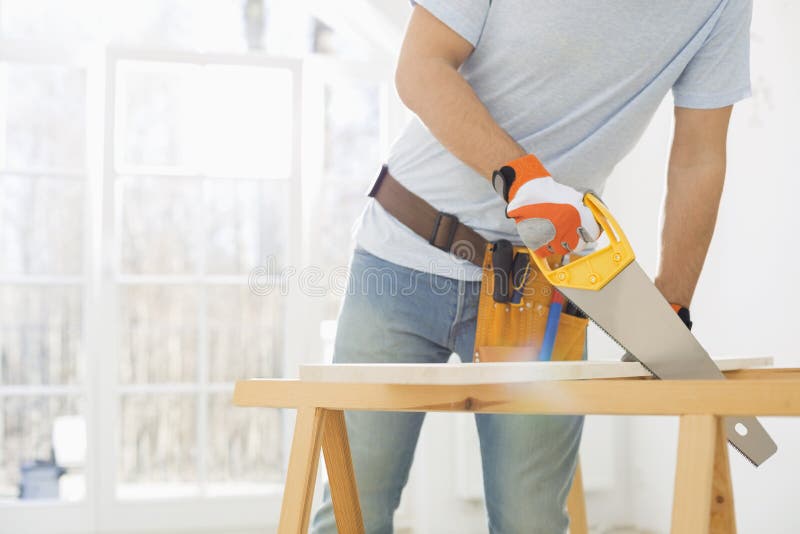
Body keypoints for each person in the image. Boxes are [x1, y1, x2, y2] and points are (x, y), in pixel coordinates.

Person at [312, 1, 752, 532]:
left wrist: (672, 300)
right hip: (403, 252)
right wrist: (521, 178)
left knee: (532, 523)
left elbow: (700, 155)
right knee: (350, 512)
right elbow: (421, 67)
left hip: (542, 287)